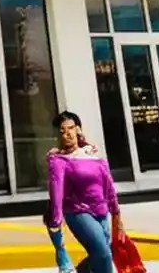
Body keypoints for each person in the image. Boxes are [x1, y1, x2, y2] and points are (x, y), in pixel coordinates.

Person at [47, 111, 122, 273]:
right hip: (77, 212)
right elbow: (56, 191)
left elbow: (108, 184)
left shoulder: (92, 153)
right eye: (62, 131)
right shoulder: (58, 160)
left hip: (101, 211)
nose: (67, 134)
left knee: (100, 254)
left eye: (71, 128)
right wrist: (56, 221)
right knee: (103, 255)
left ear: (78, 129)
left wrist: (116, 212)